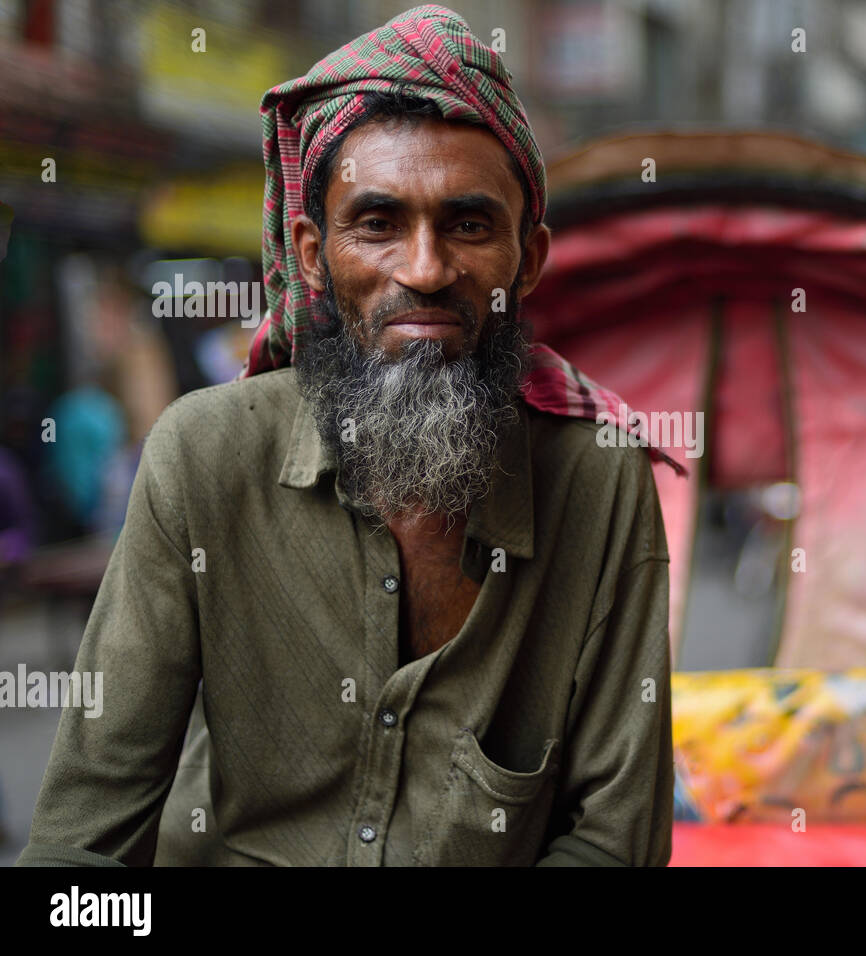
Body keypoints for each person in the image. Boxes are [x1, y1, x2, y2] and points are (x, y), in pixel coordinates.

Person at [19, 5, 679, 867]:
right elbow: (81, 852)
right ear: (310, 252)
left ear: (530, 258)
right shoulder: (205, 456)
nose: (425, 269)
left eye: (469, 224)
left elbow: (616, 839)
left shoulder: (597, 479)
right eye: (377, 223)